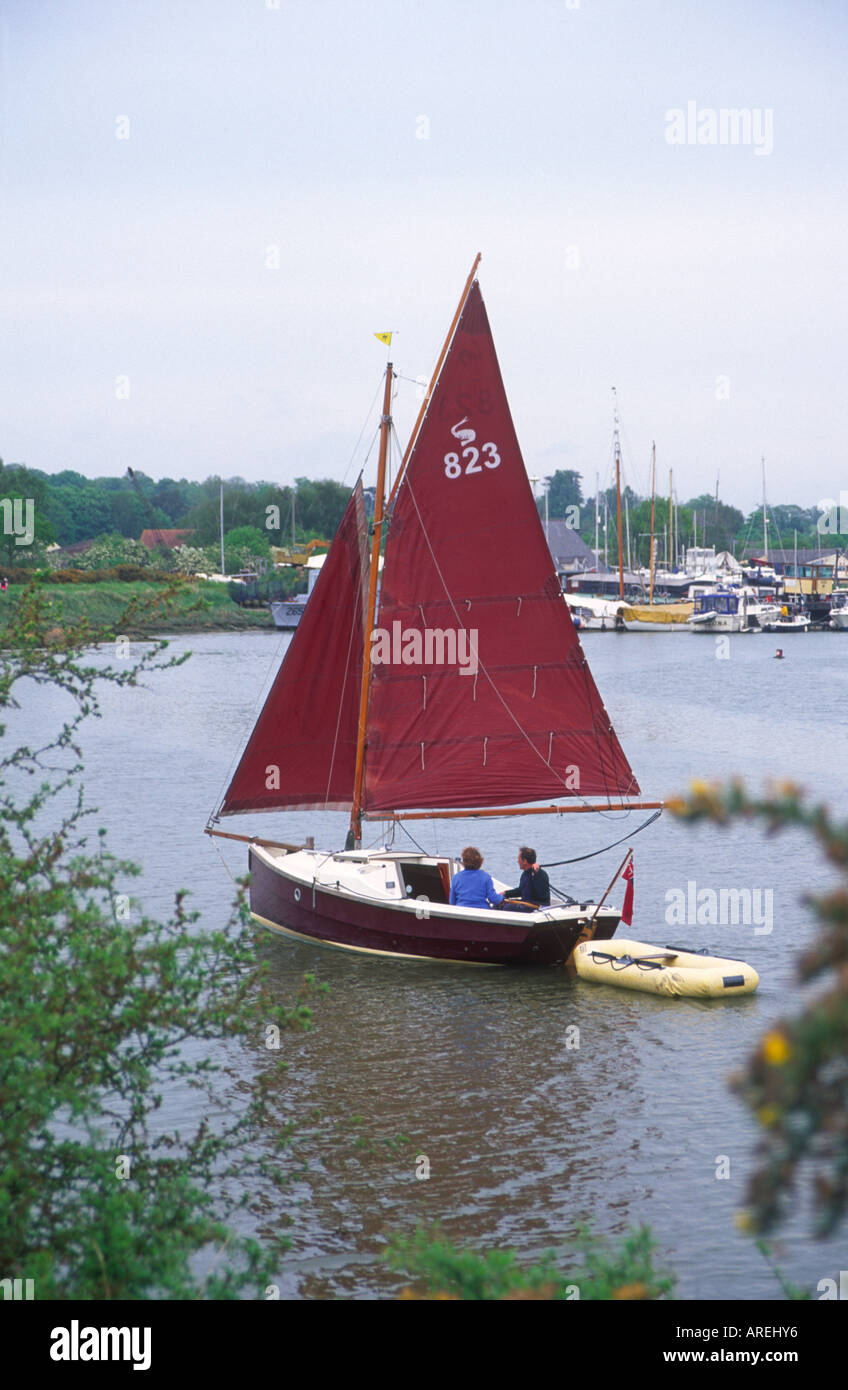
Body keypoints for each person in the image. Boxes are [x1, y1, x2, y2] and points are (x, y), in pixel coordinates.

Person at [501, 847, 551, 911]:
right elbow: (521, 890)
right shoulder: (525, 873)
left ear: (525, 861)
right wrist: (505, 893)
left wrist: (535, 874)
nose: (517, 861)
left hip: (538, 906)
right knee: (500, 904)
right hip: (526, 903)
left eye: (518, 859)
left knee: (508, 908)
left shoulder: (540, 874)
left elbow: (541, 896)